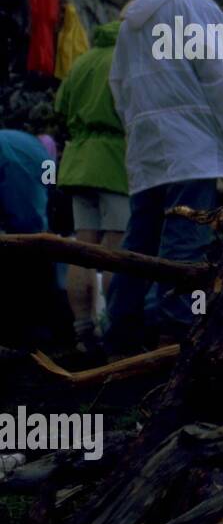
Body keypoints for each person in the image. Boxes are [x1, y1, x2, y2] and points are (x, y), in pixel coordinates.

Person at [105, 0, 223, 355]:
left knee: (139, 245)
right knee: (185, 246)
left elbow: (118, 86)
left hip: (146, 151)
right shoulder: (195, 8)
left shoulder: (130, 23)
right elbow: (220, 76)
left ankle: (120, 340)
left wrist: (137, 129)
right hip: (191, 147)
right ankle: (175, 344)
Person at [54, 18, 128, 361]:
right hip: (113, 163)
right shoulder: (127, 59)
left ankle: (82, 332)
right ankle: (116, 333)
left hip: (77, 162)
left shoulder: (82, 60)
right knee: (115, 253)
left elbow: (61, 108)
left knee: (82, 248)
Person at [0, 129, 62, 351]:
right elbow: (51, 188)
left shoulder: (20, 141)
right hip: (17, 166)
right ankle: (36, 334)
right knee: (30, 240)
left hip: (11, 163)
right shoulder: (44, 156)